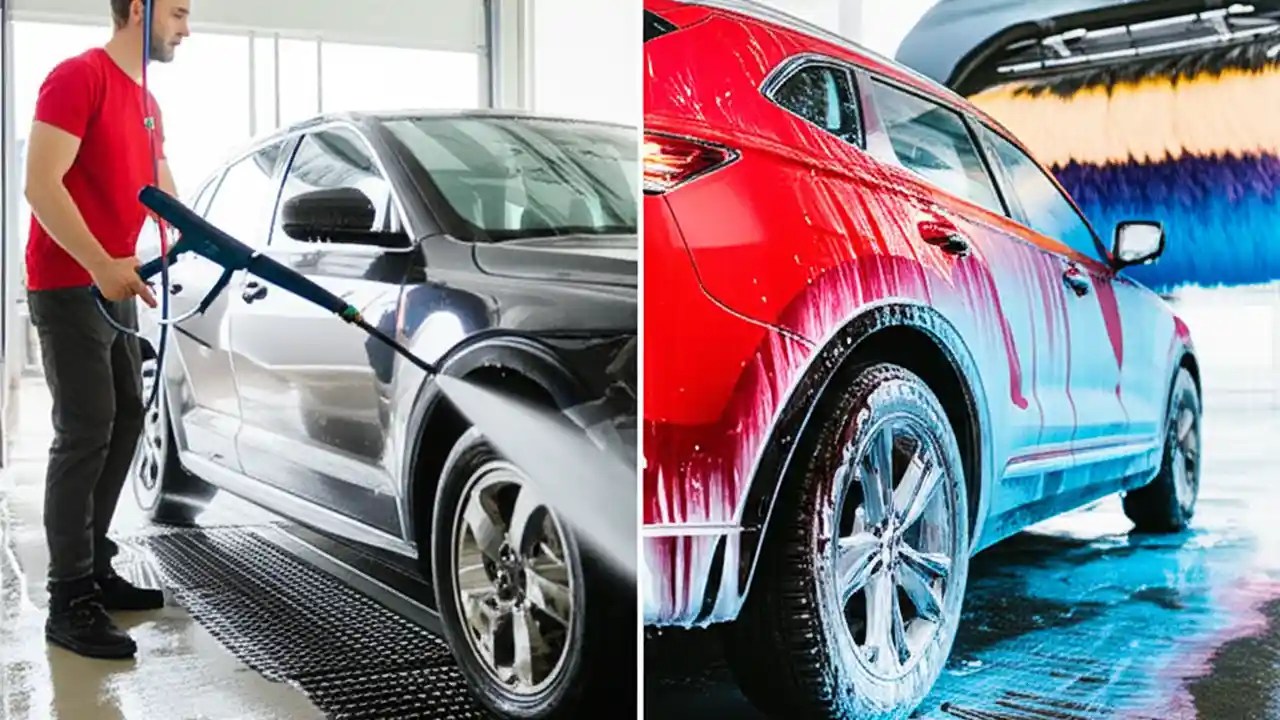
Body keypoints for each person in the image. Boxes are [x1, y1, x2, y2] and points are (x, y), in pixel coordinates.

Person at [22, 0, 190, 659]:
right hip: (69, 282)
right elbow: (41, 184)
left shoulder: (146, 101)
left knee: (125, 420)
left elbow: (159, 185)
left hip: (118, 281)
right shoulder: (78, 76)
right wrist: (97, 263)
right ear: (138, 9)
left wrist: (194, 234)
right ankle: (69, 602)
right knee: (85, 431)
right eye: (177, 12)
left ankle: (93, 564)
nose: (186, 27)